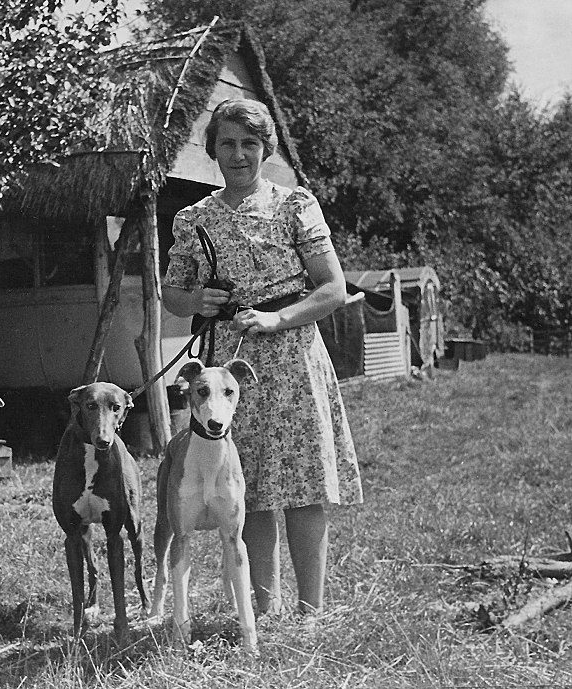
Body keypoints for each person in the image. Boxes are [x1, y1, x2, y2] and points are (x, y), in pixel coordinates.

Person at [161, 98, 363, 619]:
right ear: (213, 151)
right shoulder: (193, 218)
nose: (238, 154)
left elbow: (334, 288)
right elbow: (172, 294)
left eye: (249, 144)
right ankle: (264, 612)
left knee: (305, 485)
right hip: (229, 368)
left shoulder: (296, 204)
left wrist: (277, 319)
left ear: (264, 149)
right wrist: (196, 301)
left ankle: (312, 613)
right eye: (227, 144)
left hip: (294, 357)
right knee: (246, 485)